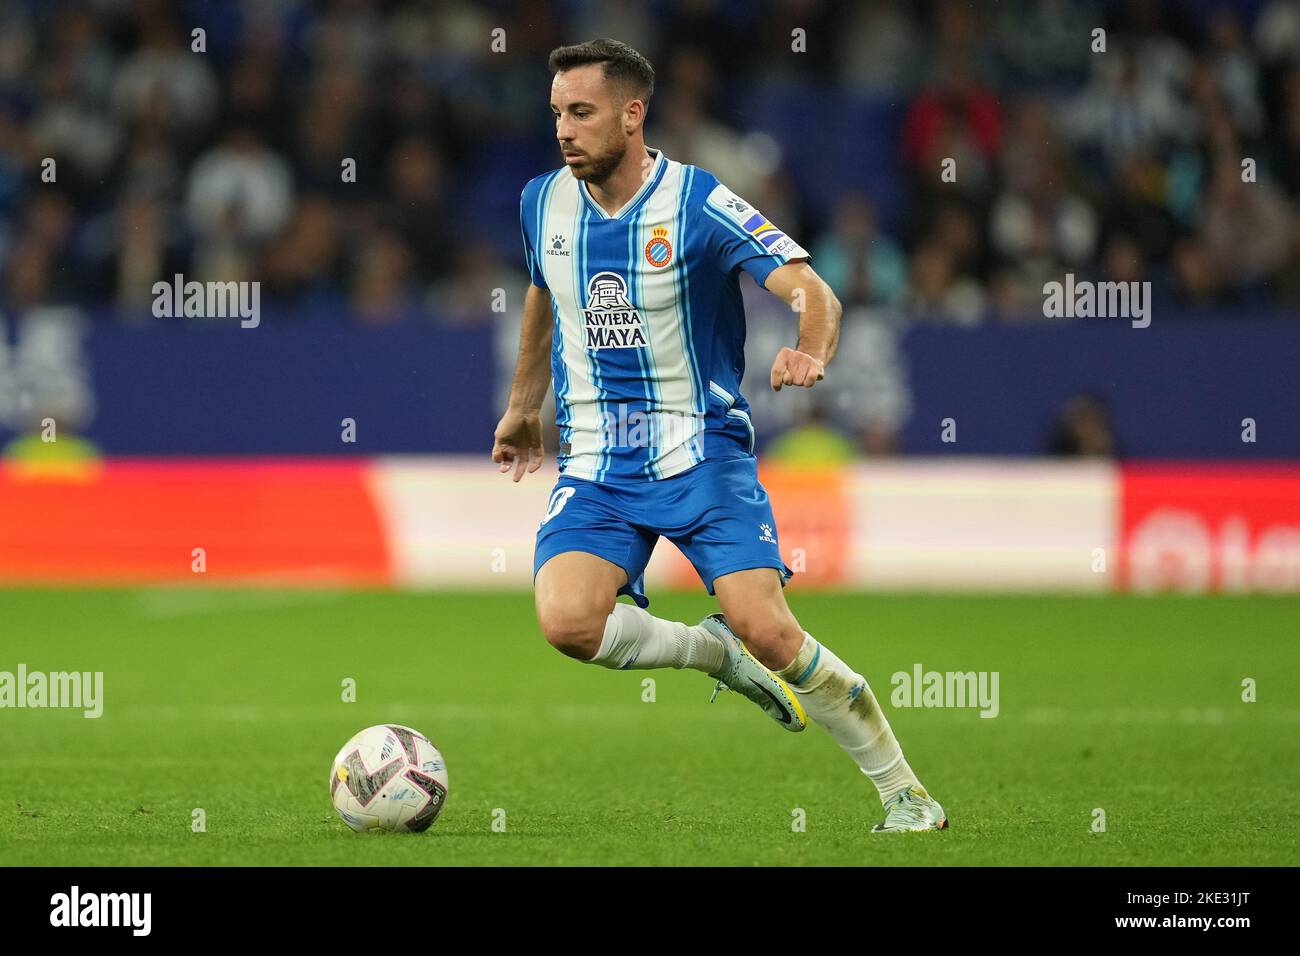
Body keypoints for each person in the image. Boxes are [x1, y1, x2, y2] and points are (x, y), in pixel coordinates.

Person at [492, 38, 946, 833]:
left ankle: (905, 791)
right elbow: (543, 292)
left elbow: (812, 288)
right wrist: (524, 403)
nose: (564, 129)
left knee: (768, 628)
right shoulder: (542, 201)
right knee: (567, 623)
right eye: (557, 113)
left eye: (582, 112)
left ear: (633, 115)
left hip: (700, 450)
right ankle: (711, 653)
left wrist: (811, 348)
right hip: (600, 459)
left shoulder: (698, 202)